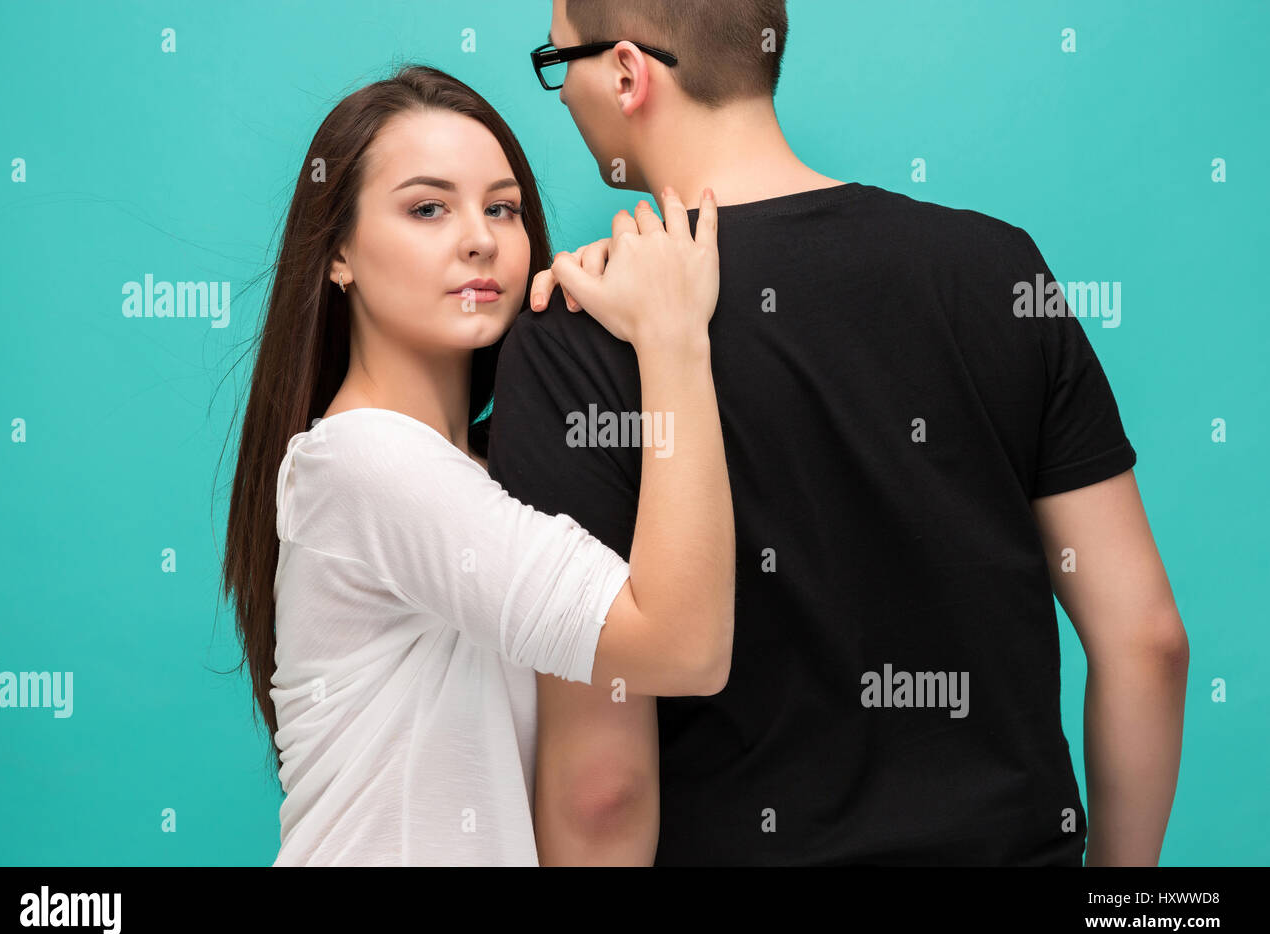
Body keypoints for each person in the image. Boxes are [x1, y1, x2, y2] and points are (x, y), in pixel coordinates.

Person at [487, 0, 1189, 865]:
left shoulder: (571, 343)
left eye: (562, 63)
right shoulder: (1001, 270)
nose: (559, 95)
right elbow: (1148, 641)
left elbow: (603, 791)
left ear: (629, 73)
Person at [220, 64, 733, 865]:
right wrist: (672, 339)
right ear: (339, 253)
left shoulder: (496, 478)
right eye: (428, 208)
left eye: (503, 207)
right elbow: (683, 646)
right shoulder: (363, 462)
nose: (480, 238)